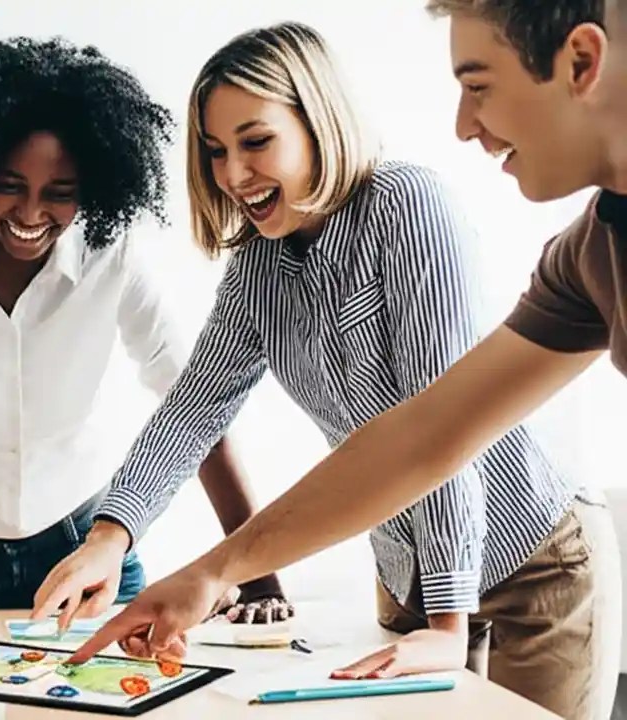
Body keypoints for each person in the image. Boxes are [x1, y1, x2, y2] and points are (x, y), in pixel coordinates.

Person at [31, 20, 617, 717]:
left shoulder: (408, 206)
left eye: (256, 142)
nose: (234, 174)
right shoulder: (255, 270)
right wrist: (109, 536)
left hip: (534, 563)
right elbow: (192, 410)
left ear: (318, 122)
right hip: (409, 577)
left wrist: (449, 624)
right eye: (216, 151)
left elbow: (442, 425)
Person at [0, 36, 289, 621]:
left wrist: (257, 577)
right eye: (8, 185)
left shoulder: (111, 261)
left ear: (92, 189)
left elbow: (194, 406)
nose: (29, 214)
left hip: (83, 552)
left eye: (59, 195)